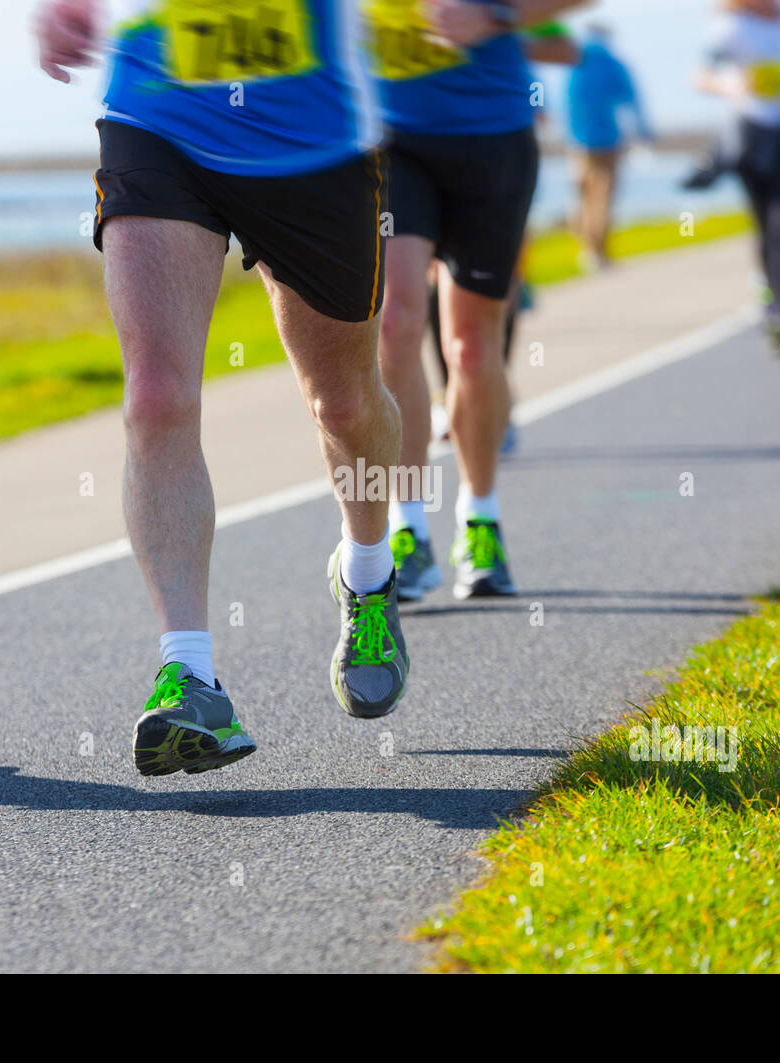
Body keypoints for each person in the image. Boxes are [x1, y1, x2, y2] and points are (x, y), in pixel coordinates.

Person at [34, 0, 410, 778]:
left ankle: (368, 573)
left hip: (316, 140)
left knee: (342, 403)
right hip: (158, 114)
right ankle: (190, 675)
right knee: (156, 395)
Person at [368, 0, 580, 603]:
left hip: (493, 139)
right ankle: (407, 531)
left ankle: (479, 520)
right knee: (394, 323)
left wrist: (495, 17)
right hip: (390, 138)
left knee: (469, 344)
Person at [700, 1, 780, 352]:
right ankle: (770, 294)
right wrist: (733, 87)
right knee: (764, 223)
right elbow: (701, 76)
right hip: (750, 134)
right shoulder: (729, 27)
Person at [567, 24, 654, 270]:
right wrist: (643, 133)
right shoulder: (614, 64)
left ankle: (588, 249)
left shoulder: (574, 61)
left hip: (577, 140)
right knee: (603, 197)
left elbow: (562, 99)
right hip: (608, 140)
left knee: (583, 196)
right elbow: (633, 100)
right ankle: (597, 253)